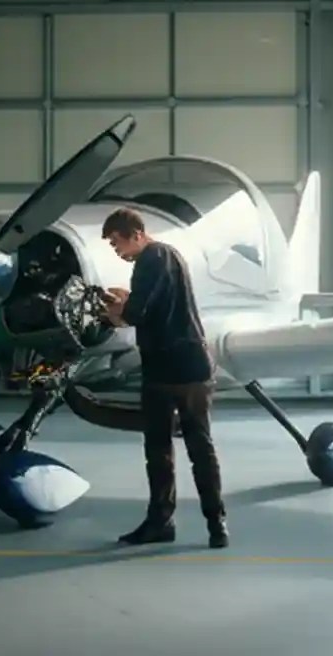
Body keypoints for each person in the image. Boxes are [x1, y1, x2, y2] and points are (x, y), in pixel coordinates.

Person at [99, 207, 229, 549]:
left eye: (117, 243)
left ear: (136, 235)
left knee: (159, 450)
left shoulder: (151, 258)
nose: (116, 251)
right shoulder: (169, 256)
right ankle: (216, 525)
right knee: (200, 447)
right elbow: (156, 307)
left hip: (169, 369)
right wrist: (127, 303)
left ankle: (161, 520)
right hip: (189, 367)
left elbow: (137, 313)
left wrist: (112, 311)